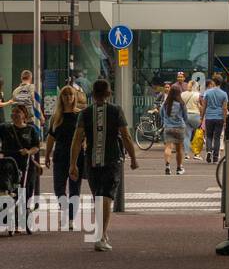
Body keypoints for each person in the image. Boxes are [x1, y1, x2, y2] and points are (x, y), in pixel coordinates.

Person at [68, 79, 138, 252]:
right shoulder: (116, 111)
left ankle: (102, 234)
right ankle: (100, 235)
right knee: (106, 197)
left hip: (91, 160)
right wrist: (134, 158)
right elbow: (126, 136)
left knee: (98, 196)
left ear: (93, 93)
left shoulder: (85, 113)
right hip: (112, 159)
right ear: (108, 94)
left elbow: (77, 139)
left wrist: (73, 164)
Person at [45, 86, 84, 229]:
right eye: (65, 95)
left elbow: (85, 135)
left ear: (75, 97)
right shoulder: (56, 116)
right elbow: (51, 137)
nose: (68, 97)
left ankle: (71, 219)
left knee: (74, 189)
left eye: (71, 94)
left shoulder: (80, 114)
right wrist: (47, 155)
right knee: (58, 188)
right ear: (61, 98)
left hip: (76, 157)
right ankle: (66, 210)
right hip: (60, 156)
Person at [3, 104, 42, 230]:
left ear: (24, 115)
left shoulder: (30, 130)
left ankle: (22, 216)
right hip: (8, 163)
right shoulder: (5, 128)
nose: (15, 114)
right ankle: (8, 213)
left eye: (18, 112)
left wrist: (29, 152)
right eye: (13, 112)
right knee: (7, 187)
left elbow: (37, 146)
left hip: (26, 164)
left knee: (25, 189)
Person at [200, 76, 229, 165]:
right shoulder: (224, 94)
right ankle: (215, 157)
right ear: (221, 83)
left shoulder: (207, 93)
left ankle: (209, 151)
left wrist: (202, 117)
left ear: (213, 82)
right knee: (217, 138)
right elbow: (224, 108)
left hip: (209, 117)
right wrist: (225, 121)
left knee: (208, 136)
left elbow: (204, 106)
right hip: (219, 117)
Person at [159, 83, 188, 175]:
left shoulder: (165, 103)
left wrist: (165, 121)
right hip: (179, 127)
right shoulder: (181, 103)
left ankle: (167, 166)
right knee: (179, 149)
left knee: (168, 147)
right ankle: (179, 168)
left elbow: (161, 114)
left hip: (168, 127)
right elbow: (185, 116)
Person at [181, 80, 202, 161]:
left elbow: (181, 105)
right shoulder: (198, 95)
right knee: (198, 134)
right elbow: (200, 106)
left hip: (186, 115)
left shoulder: (182, 94)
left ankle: (186, 154)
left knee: (187, 136)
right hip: (196, 115)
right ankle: (196, 153)